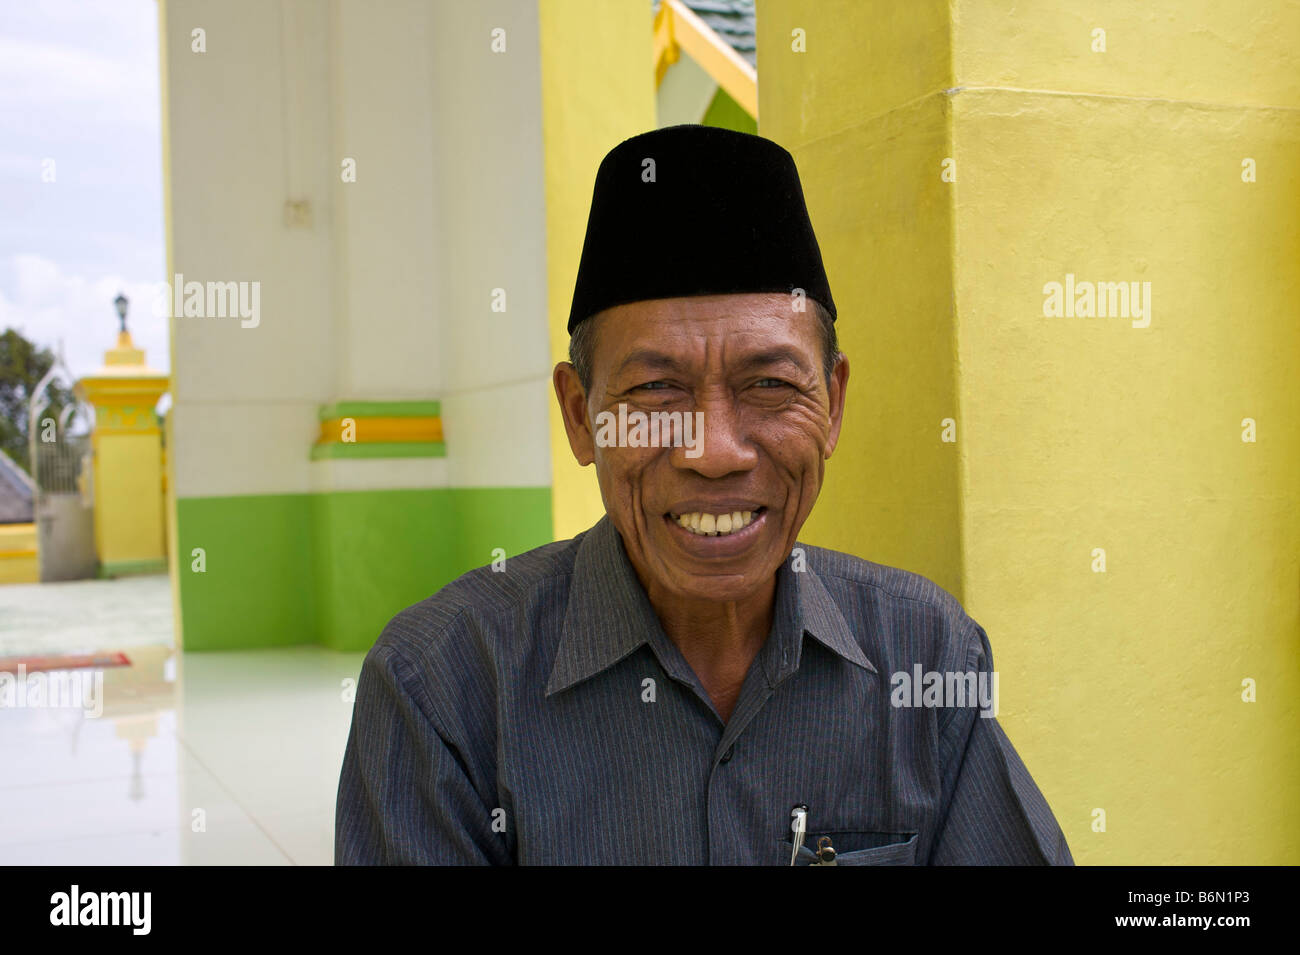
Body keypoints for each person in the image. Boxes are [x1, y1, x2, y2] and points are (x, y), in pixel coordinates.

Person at [335, 124, 1073, 865]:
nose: (714, 450)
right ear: (580, 414)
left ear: (834, 403)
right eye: (657, 389)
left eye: (771, 385)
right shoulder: (439, 692)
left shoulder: (925, 653)